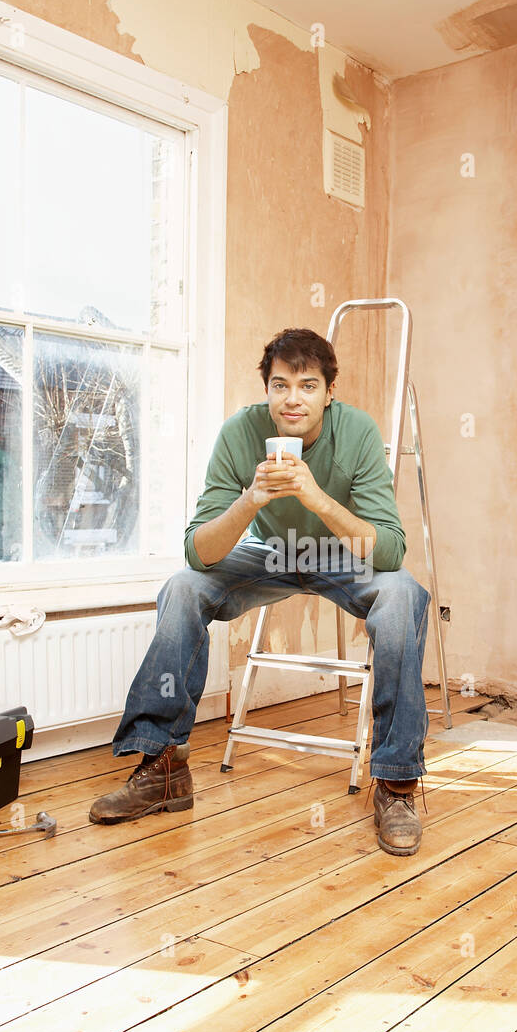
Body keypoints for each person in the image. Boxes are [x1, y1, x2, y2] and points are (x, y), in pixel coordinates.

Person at [89, 328, 432, 854]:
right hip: (271, 551)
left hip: (339, 554)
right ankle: (162, 768)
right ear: (267, 390)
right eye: (281, 385)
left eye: (308, 385)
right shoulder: (239, 433)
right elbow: (199, 552)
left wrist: (315, 498)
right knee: (182, 589)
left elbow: (388, 552)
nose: (293, 398)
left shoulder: (358, 432)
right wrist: (251, 501)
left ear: (328, 392)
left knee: (404, 593)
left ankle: (396, 781)